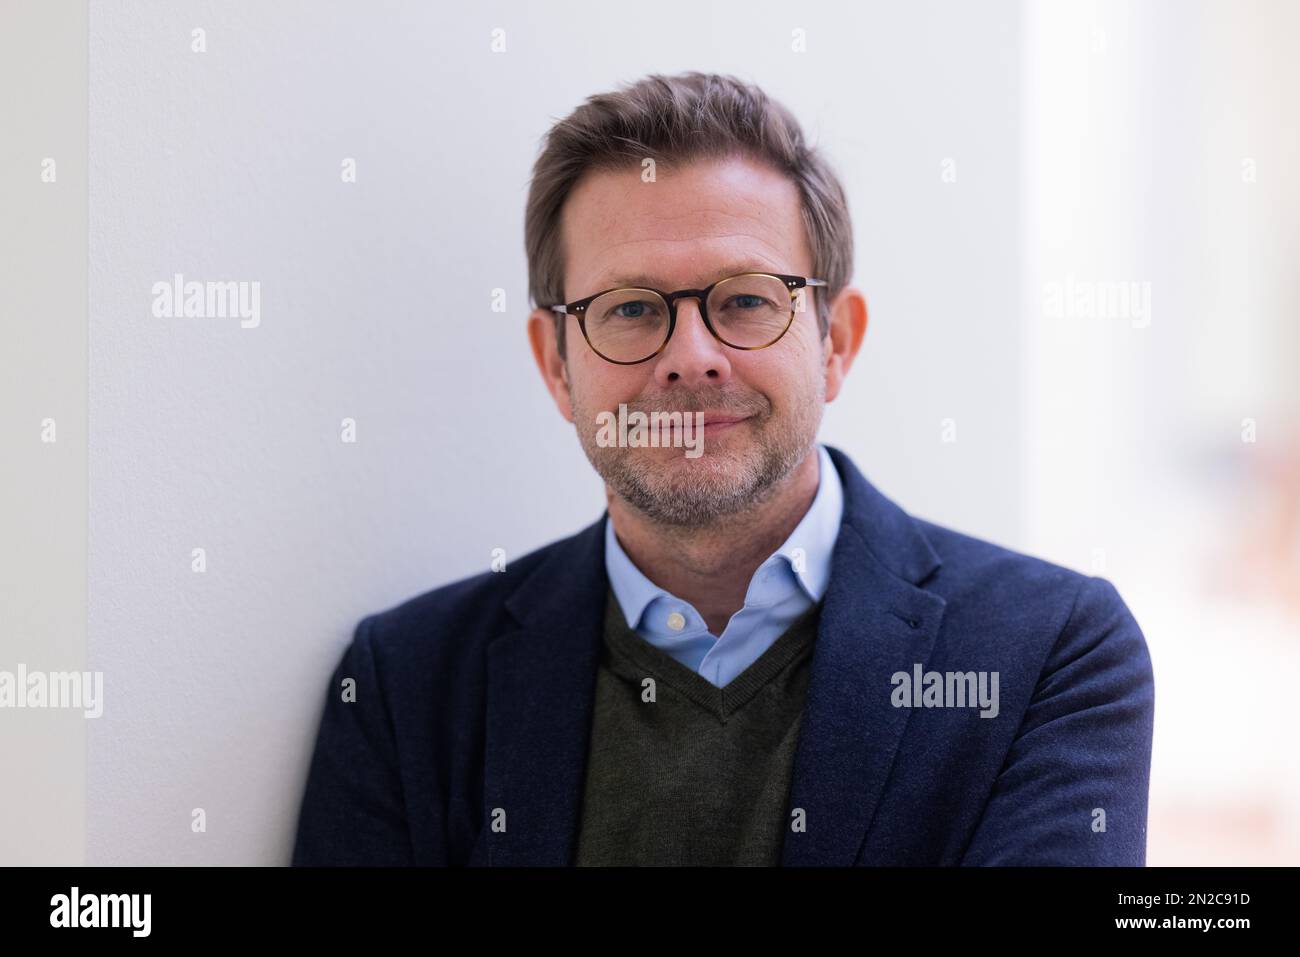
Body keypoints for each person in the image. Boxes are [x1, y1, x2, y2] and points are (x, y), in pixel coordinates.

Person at [292, 71, 1154, 866]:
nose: (691, 357)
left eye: (745, 299)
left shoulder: (1049, 656)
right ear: (556, 365)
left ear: (834, 343)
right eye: (630, 308)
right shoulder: (407, 684)